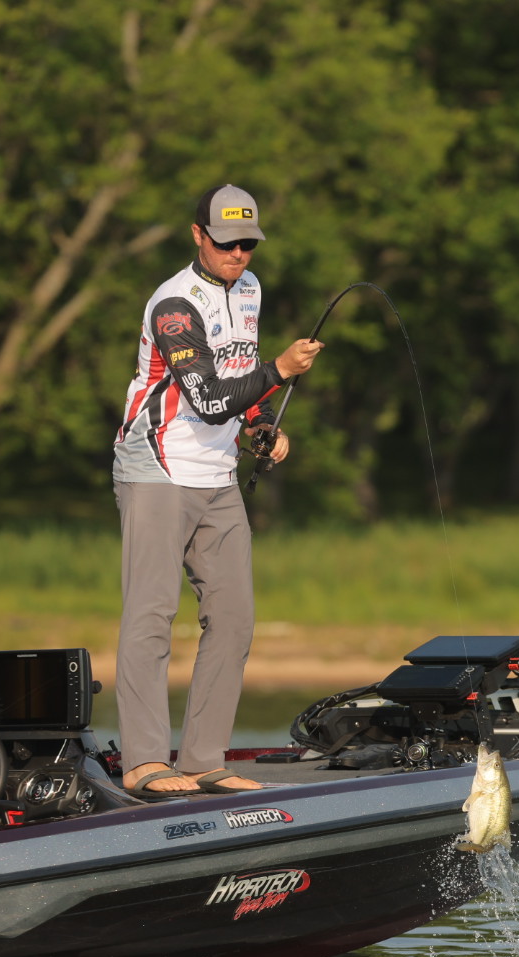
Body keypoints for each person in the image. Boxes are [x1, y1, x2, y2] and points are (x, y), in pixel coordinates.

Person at [110, 184, 323, 800]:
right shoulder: (174, 305)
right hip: (156, 468)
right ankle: (145, 762)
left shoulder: (250, 289)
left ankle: (204, 760)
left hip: (218, 474)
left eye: (248, 244)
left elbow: (236, 379)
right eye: (227, 243)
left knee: (233, 619)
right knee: (151, 616)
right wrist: (281, 370)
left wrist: (260, 426)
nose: (238, 255)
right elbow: (204, 399)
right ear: (198, 235)